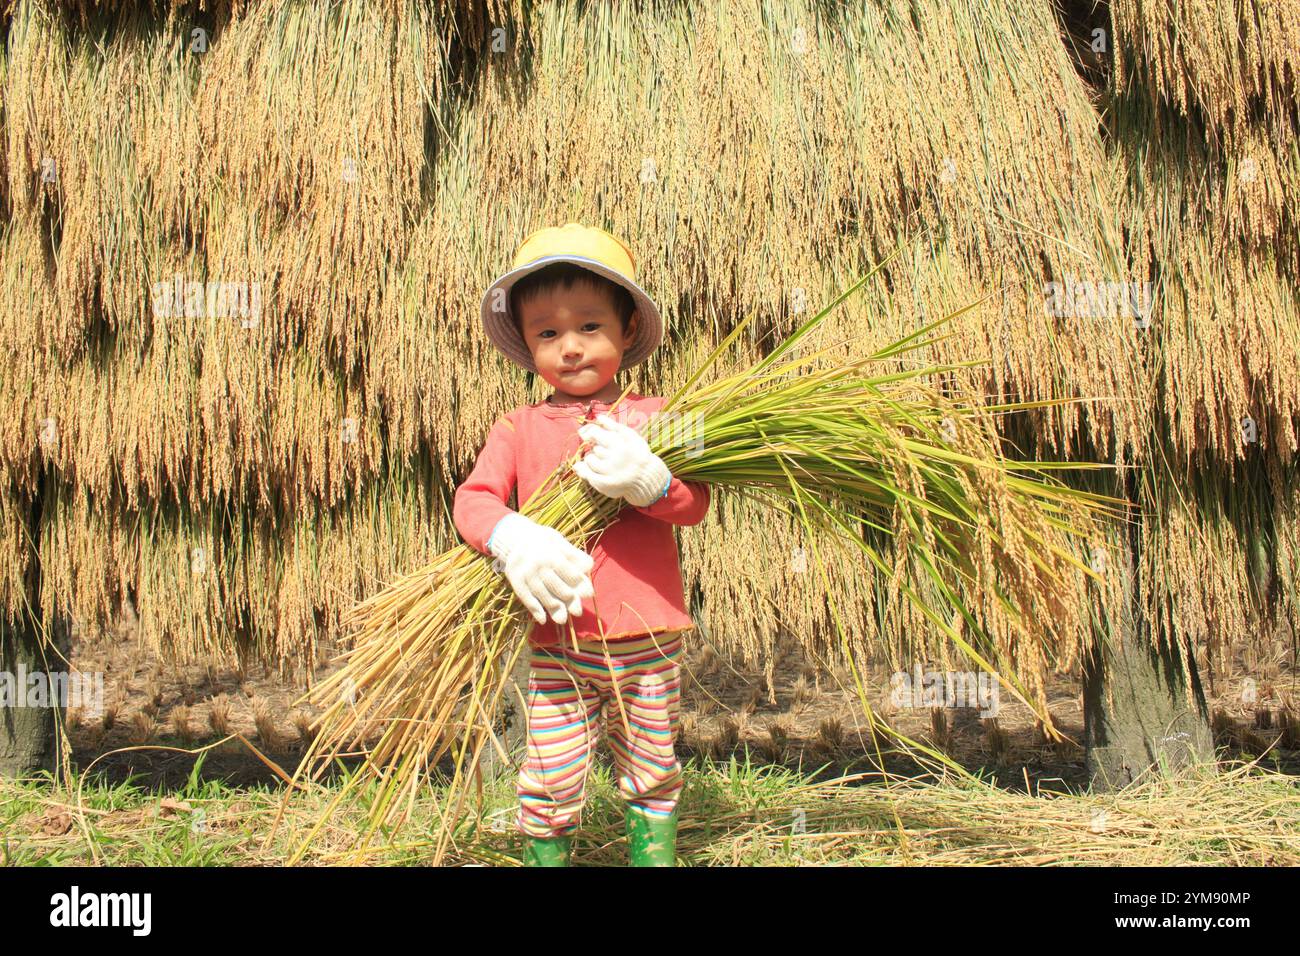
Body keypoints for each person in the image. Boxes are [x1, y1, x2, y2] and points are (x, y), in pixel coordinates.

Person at [452, 223, 710, 866]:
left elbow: (696, 503)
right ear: (527, 345)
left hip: (648, 641)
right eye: (547, 333)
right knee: (551, 774)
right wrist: (511, 538)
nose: (569, 347)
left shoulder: (662, 418)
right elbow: (473, 501)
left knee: (651, 766)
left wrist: (652, 481)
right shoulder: (516, 426)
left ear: (627, 331)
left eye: (590, 327)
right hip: (559, 645)